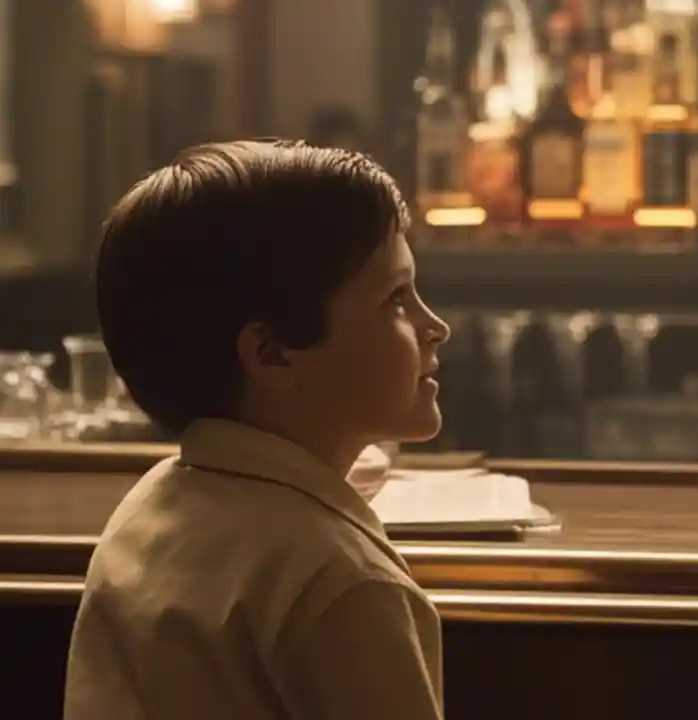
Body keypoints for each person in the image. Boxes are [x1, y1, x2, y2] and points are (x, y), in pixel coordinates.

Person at [65, 140, 451, 719]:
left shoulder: (152, 505)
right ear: (271, 355)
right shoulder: (343, 582)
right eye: (396, 299)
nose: (436, 326)